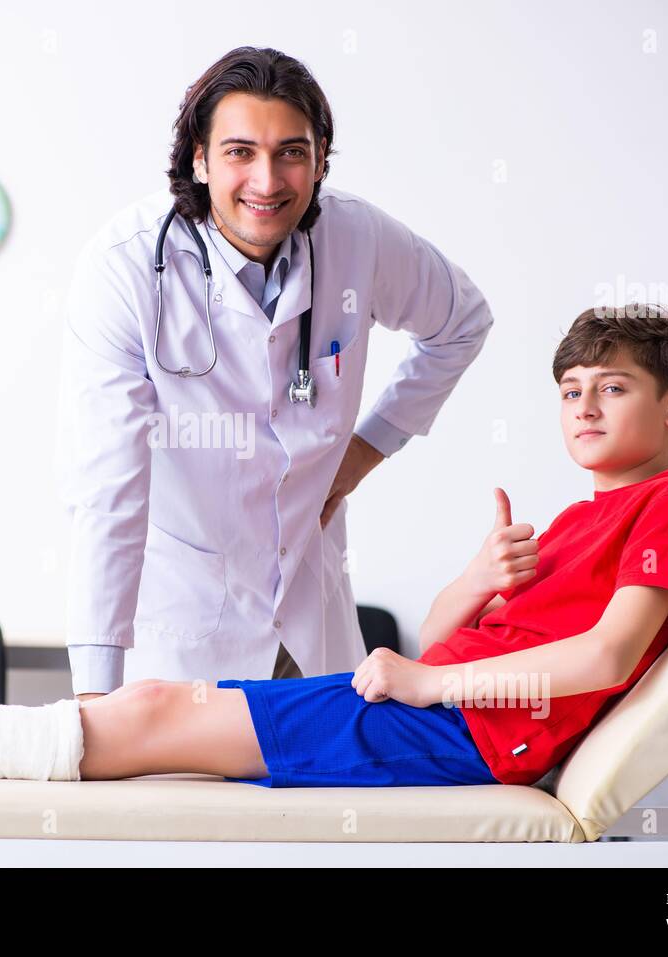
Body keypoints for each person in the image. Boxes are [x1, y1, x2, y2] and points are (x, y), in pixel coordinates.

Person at [0, 305, 668, 789]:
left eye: (613, 387)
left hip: (463, 733)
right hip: (435, 712)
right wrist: (474, 580)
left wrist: (425, 687)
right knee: (151, 711)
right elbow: (435, 637)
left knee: (156, 714)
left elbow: (601, 660)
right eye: (569, 390)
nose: (584, 406)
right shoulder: (568, 522)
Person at [55, 46, 494, 701]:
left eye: (292, 151)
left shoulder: (357, 238)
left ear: (319, 159)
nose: (267, 180)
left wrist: (362, 454)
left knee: (321, 798)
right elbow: (106, 492)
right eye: (239, 152)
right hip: (184, 632)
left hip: (310, 623)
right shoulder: (124, 268)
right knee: (187, 801)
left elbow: (463, 321)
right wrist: (94, 695)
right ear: (198, 159)